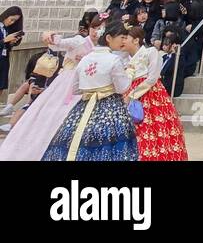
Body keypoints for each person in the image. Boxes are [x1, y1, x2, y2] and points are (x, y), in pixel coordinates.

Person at [0, 10, 101, 160]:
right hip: (67, 84)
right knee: (52, 116)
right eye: (94, 28)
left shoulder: (104, 50)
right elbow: (59, 43)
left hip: (89, 87)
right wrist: (51, 36)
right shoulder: (79, 41)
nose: (96, 32)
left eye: (100, 29)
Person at [42, 20, 138, 161]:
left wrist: (90, 89)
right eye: (121, 37)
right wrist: (129, 72)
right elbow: (122, 88)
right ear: (109, 38)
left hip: (83, 107)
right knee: (109, 142)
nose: (124, 41)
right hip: (110, 107)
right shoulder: (114, 60)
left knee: (78, 139)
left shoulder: (85, 59)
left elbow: (75, 88)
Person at [124, 26, 187, 160]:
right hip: (132, 95)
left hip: (150, 95)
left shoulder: (151, 51)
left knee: (156, 129)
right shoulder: (126, 60)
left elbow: (152, 78)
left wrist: (132, 94)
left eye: (126, 38)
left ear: (136, 40)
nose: (123, 41)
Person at [0, 6, 23, 105]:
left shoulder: (7, 30)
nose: (12, 22)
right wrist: (5, 40)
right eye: (12, 19)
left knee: (1, 85)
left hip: (4, 60)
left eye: (15, 21)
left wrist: (11, 43)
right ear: (6, 15)